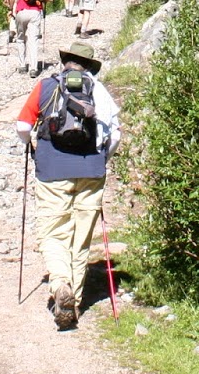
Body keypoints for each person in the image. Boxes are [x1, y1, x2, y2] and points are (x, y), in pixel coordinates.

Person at [15, 42, 121, 330]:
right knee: (81, 236)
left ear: (65, 62)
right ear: (88, 66)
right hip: (91, 170)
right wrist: (101, 160)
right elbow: (114, 134)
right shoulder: (99, 90)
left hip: (52, 170)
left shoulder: (47, 86)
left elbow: (23, 127)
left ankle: (60, 284)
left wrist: (33, 147)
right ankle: (73, 301)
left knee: (53, 231)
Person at [8, 0, 53, 76]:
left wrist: (11, 7)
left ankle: (22, 65)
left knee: (20, 38)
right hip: (35, 13)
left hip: (21, 12)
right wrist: (43, 0)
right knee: (33, 40)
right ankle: (33, 68)